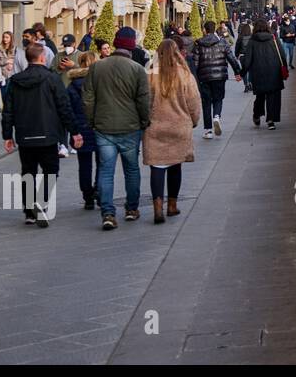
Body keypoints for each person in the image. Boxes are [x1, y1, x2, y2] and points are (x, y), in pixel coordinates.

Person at [1, 43, 82, 228]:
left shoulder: (15, 81)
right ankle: (42, 201)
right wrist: (74, 132)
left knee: (28, 172)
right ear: (42, 58)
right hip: (48, 134)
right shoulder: (52, 79)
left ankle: (29, 211)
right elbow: (64, 106)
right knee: (50, 170)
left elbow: (8, 111)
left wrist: (7, 135)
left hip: (24, 134)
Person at [83, 26, 152, 230]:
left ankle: (108, 213)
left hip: (103, 127)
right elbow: (143, 101)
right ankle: (131, 209)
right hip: (131, 127)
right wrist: (144, 121)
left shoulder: (97, 67)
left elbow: (87, 99)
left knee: (105, 171)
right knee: (131, 169)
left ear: (115, 44)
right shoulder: (137, 69)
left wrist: (92, 121)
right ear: (131, 47)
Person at [144, 40, 201, 225]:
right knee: (176, 165)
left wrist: (145, 120)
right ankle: (172, 205)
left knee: (157, 167)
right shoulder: (184, 74)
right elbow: (194, 101)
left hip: (156, 127)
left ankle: (158, 207)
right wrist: (194, 120)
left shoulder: (151, 73)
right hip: (179, 126)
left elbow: (144, 100)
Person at [189, 21, 242, 139]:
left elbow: (195, 63)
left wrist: (193, 79)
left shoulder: (199, 44)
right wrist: (237, 72)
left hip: (204, 77)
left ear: (205, 30)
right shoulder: (222, 42)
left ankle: (208, 130)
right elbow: (231, 58)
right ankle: (217, 116)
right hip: (219, 76)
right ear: (214, 29)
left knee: (206, 102)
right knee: (218, 98)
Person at [240, 19, 287, 130]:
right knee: (273, 97)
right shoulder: (273, 39)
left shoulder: (252, 41)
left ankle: (257, 115)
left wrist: (242, 73)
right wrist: (284, 68)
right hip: (274, 72)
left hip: (258, 73)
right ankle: (271, 120)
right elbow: (282, 55)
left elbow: (247, 60)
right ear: (267, 27)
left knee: (260, 96)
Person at [66, 51, 99, 210]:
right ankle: (98, 189)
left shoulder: (72, 85)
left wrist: (72, 129)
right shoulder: (99, 82)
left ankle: (87, 197)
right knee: (103, 162)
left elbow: (68, 109)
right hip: (99, 127)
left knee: (84, 164)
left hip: (80, 128)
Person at [0, 32, 15, 106]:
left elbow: (18, 61)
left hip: (13, 76)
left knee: (13, 97)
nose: (5, 39)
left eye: (7, 37)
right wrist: (6, 61)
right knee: (4, 96)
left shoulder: (15, 49)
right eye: (4, 37)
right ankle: (6, 114)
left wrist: (12, 64)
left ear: (11, 38)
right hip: (2, 77)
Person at [235, 22, 253, 92]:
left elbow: (237, 47)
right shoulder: (252, 37)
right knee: (250, 70)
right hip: (250, 55)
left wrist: (237, 55)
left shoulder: (240, 37)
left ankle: (246, 85)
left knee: (244, 70)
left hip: (242, 56)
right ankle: (251, 83)